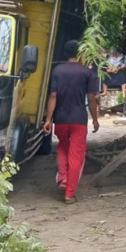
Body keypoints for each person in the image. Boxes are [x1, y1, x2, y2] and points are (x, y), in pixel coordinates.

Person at [42, 40, 100, 204]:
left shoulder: (58, 71)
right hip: (79, 119)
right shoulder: (87, 72)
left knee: (62, 146)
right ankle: (69, 194)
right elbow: (91, 97)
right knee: (76, 155)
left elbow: (53, 96)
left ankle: (63, 177)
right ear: (80, 53)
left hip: (60, 119)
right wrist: (95, 119)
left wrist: (48, 119)